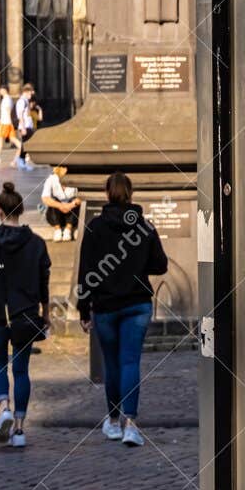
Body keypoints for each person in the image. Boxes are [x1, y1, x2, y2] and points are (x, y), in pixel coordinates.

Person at [77, 172, 168, 447]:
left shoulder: (95, 227)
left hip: (105, 305)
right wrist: (137, 267)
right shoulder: (144, 226)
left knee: (112, 363)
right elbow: (160, 265)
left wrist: (83, 310)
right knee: (130, 362)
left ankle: (113, 421)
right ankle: (131, 424)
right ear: (131, 194)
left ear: (107, 193)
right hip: (137, 303)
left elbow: (86, 272)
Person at [0, 183, 51, 448]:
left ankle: (4, 405)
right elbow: (43, 282)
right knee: (22, 370)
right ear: (22, 210)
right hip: (25, 314)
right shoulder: (37, 244)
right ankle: (19, 428)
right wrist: (46, 313)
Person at [40, 164, 82, 240]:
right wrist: (60, 205)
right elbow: (45, 198)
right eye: (63, 168)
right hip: (57, 211)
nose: (65, 170)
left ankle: (68, 229)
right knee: (53, 202)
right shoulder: (51, 179)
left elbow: (82, 197)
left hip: (71, 209)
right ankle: (57, 229)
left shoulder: (76, 178)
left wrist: (71, 205)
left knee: (75, 203)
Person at [14, 83, 39, 171]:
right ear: (26, 92)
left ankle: (22, 161)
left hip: (28, 125)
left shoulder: (25, 101)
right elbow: (20, 115)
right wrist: (23, 127)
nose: (31, 96)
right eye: (30, 94)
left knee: (25, 144)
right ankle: (21, 161)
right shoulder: (21, 101)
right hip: (25, 126)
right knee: (25, 144)